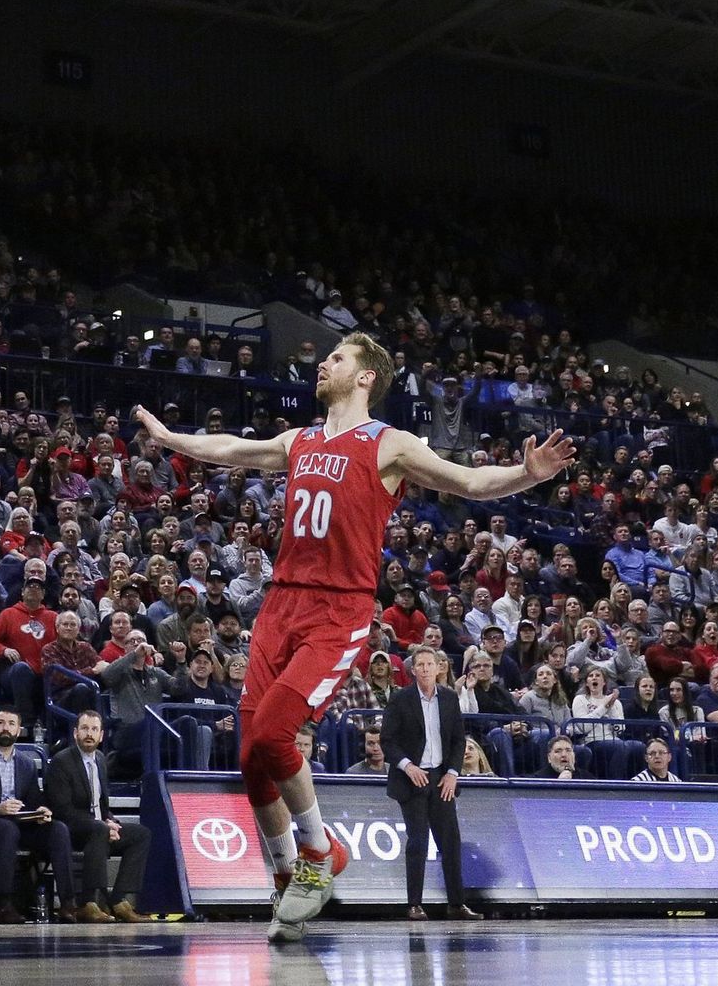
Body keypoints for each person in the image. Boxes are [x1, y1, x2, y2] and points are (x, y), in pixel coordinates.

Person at [130, 332, 573, 942]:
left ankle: (320, 854)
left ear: (365, 377)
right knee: (250, 755)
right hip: (280, 603)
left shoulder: (389, 443)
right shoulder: (301, 438)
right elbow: (235, 448)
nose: (323, 362)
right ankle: (287, 874)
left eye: (337, 357)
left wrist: (527, 473)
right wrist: (174, 440)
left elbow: (469, 484)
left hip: (337, 610)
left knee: (274, 729)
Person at [381, 645, 476, 921]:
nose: (424, 669)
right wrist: (407, 766)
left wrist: (452, 773)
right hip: (412, 779)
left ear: (438, 668)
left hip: (441, 778)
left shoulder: (448, 698)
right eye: (419, 664)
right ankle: (414, 905)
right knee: (418, 842)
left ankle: (457, 904)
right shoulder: (400, 699)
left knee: (451, 842)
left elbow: (459, 740)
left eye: (429, 664)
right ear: (412, 670)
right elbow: (388, 740)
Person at [0, 707, 78, 923]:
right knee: (7, 829)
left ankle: (67, 903)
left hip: (22, 824)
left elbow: (34, 800)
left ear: (19, 730)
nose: (5, 728)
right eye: (0, 723)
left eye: (10, 724)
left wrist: (42, 811)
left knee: (58, 829)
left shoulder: (26, 763)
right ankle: (4, 904)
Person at [43, 710, 151, 924]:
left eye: (94, 729)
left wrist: (111, 821)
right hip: (70, 829)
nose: (89, 734)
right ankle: (88, 902)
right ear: (75, 733)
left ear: (102, 736)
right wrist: (100, 824)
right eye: (84, 729)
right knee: (99, 830)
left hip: (97, 827)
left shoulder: (101, 759)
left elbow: (102, 804)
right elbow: (61, 809)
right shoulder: (61, 761)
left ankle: (120, 900)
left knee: (141, 834)